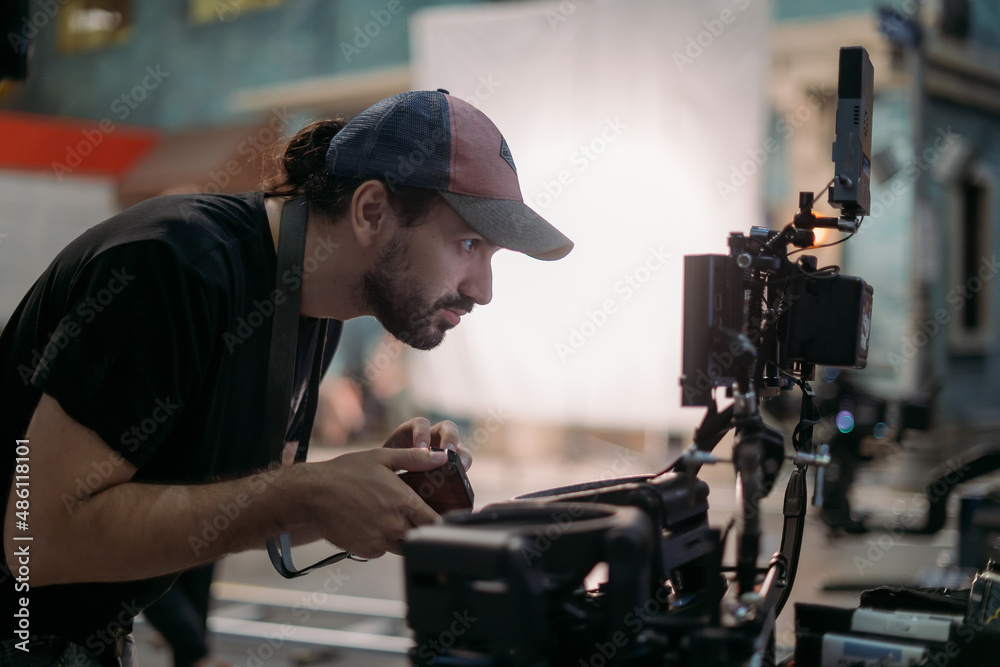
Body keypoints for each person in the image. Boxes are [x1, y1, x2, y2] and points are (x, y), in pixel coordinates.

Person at [0, 89, 573, 666]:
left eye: (490, 256)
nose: (483, 289)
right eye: (468, 244)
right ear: (371, 210)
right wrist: (303, 492)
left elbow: (234, 509)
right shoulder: (170, 267)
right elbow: (37, 542)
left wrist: (358, 490)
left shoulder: (310, 309)